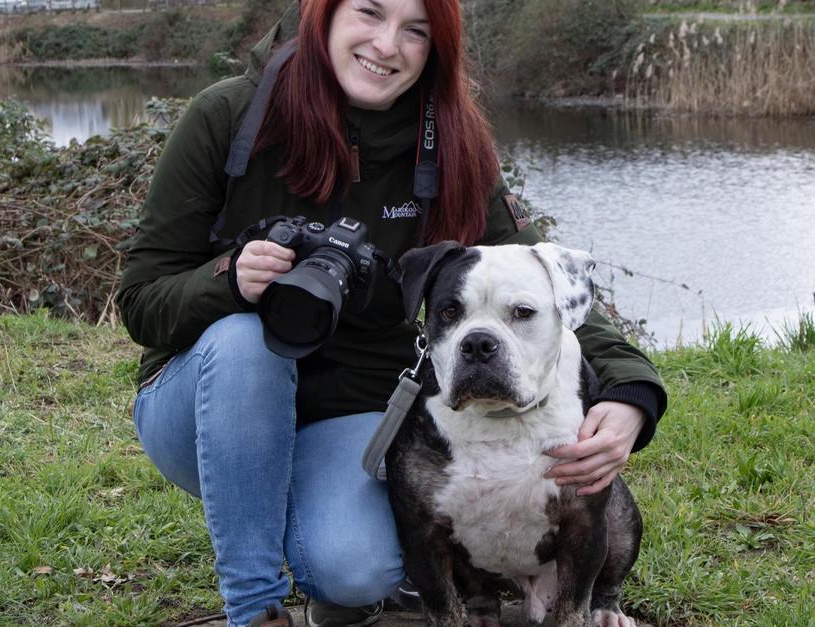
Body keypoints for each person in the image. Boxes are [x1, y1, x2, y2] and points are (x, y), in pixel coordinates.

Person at [116, 2, 667, 627]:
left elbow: (534, 283)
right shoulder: (229, 117)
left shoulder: (455, 142)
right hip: (205, 408)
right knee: (247, 341)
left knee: (358, 569)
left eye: (416, 30)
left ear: (437, 47)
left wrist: (631, 391)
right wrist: (231, 281)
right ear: (321, 12)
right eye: (369, 13)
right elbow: (140, 301)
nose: (386, 44)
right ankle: (252, 607)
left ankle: (314, 531)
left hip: (348, 416)